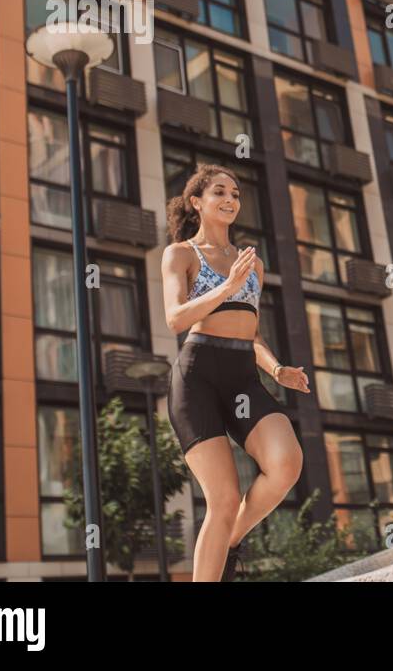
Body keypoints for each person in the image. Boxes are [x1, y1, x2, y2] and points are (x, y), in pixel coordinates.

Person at [161, 163, 310, 580]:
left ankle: (230, 540)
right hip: (197, 378)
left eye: (236, 194)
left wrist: (277, 368)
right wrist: (225, 287)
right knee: (223, 499)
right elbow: (174, 319)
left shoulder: (251, 264)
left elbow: (252, 331)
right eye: (219, 193)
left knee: (286, 463)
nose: (230, 200)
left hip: (243, 377)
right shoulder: (181, 254)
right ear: (197, 202)